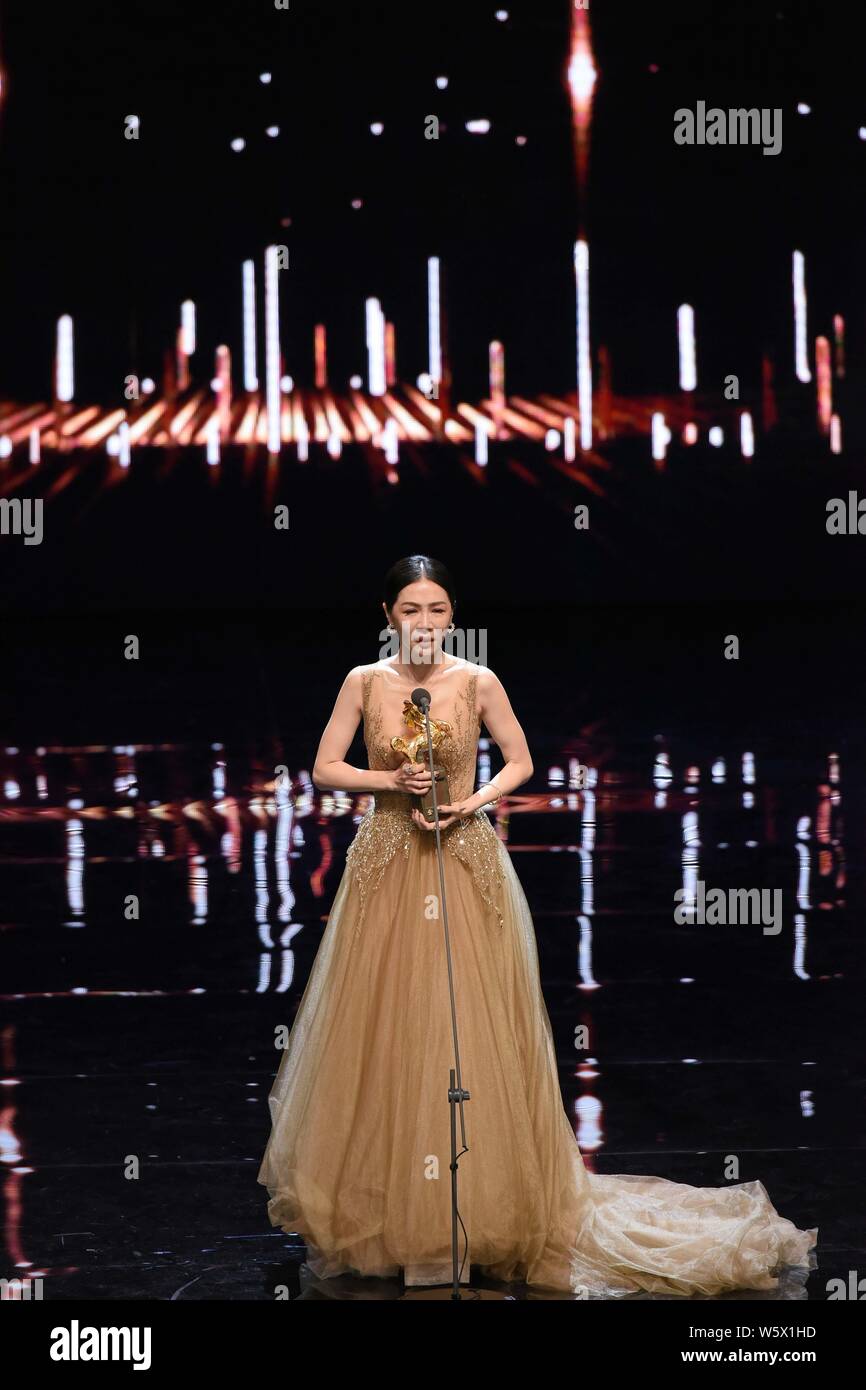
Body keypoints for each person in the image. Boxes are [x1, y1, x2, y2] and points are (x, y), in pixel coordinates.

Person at [257, 554, 818, 1296]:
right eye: (410, 610)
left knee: (468, 1030)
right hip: (388, 867)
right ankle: (396, 1215)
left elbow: (521, 759)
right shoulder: (364, 682)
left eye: (437, 610)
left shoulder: (476, 681)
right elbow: (326, 765)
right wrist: (388, 780)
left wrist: (476, 796)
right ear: (388, 615)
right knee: (390, 1031)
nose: (424, 623)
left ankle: (483, 1210)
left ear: (452, 616)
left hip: (462, 860)